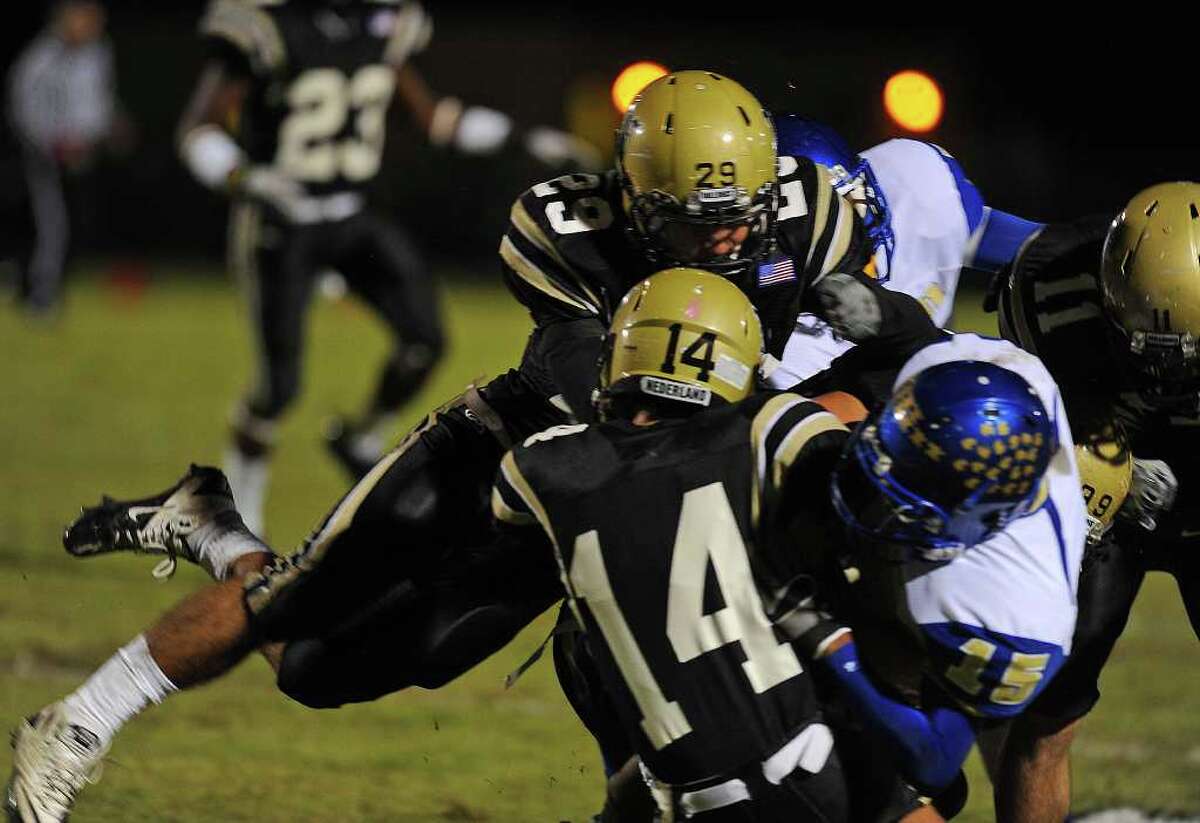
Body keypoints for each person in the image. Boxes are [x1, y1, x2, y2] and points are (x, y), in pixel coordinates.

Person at [4, 70, 939, 821]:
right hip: (527, 453)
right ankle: (78, 720)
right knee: (309, 649)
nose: (728, 237)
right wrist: (766, 430)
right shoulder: (569, 234)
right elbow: (597, 394)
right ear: (637, 203)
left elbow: (902, 351)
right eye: (698, 222)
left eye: (741, 213)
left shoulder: (809, 217)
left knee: (661, 682)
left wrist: (845, 368)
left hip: (667, 477)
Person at [501, 270, 1085, 820]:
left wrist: (827, 641)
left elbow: (931, 758)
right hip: (771, 720)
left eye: (905, 498)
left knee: (919, 784)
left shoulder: (1013, 624)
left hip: (828, 704)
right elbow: (922, 345)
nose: (873, 498)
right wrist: (888, 316)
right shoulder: (972, 372)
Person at [178, 0, 600, 534]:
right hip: (281, 224)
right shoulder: (270, 29)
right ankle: (233, 515)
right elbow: (198, 129)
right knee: (278, 388)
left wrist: (528, 138)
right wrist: (243, 178)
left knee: (424, 339)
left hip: (349, 215)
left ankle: (360, 437)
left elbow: (436, 119)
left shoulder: (379, 28)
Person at [985, 181, 1200, 822]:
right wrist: (1097, 473)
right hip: (1100, 478)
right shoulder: (1045, 287)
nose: (1164, 373)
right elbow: (1020, 418)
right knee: (1049, 712)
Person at [767, 115, 1043, 385]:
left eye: (853, 198)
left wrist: (1050, 253)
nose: (853, 221)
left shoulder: (913, 182)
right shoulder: (786, 352)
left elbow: (985, 234)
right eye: (832, 213)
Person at [6, 0, 126, 314]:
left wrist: (109, 127)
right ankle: (37, 293)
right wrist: (52, 144)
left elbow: (97, 102)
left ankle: (50, 288)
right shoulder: (41, 59)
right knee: (50, 224)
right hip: (45, 157)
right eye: (87, 20)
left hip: (83, 156)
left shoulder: (97, 54)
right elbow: (24, 108)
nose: (94, 27)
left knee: (74, 226)